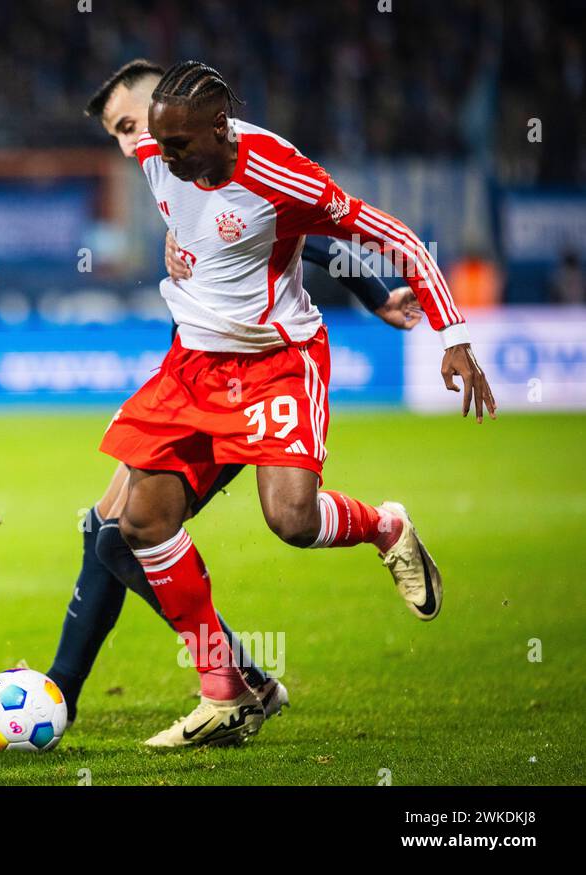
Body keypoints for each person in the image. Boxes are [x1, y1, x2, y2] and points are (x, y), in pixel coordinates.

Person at [0, 60, 426, 733]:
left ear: (168, 110)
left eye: (130, 126)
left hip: (259, 371)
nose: (130, 145)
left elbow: (313, 237)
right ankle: (226, 680)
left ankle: (133, 686)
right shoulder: (168, 168)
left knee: (131, 534)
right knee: (116, 534)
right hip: (194, 372)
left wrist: (376, 294)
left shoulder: (217, 157)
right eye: (118, 134)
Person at [104, 61, 496, 747]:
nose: (164, 160)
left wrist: (452, 332)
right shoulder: (158, 153)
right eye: (156, 145)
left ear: (219, 129)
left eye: (180, 147)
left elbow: (395, 236)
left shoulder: (279, 172)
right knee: (138, 522)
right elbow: (174, 190)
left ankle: (384, 526)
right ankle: (223, 691)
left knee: (289, 517)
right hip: (192, 364)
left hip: (275, 363)